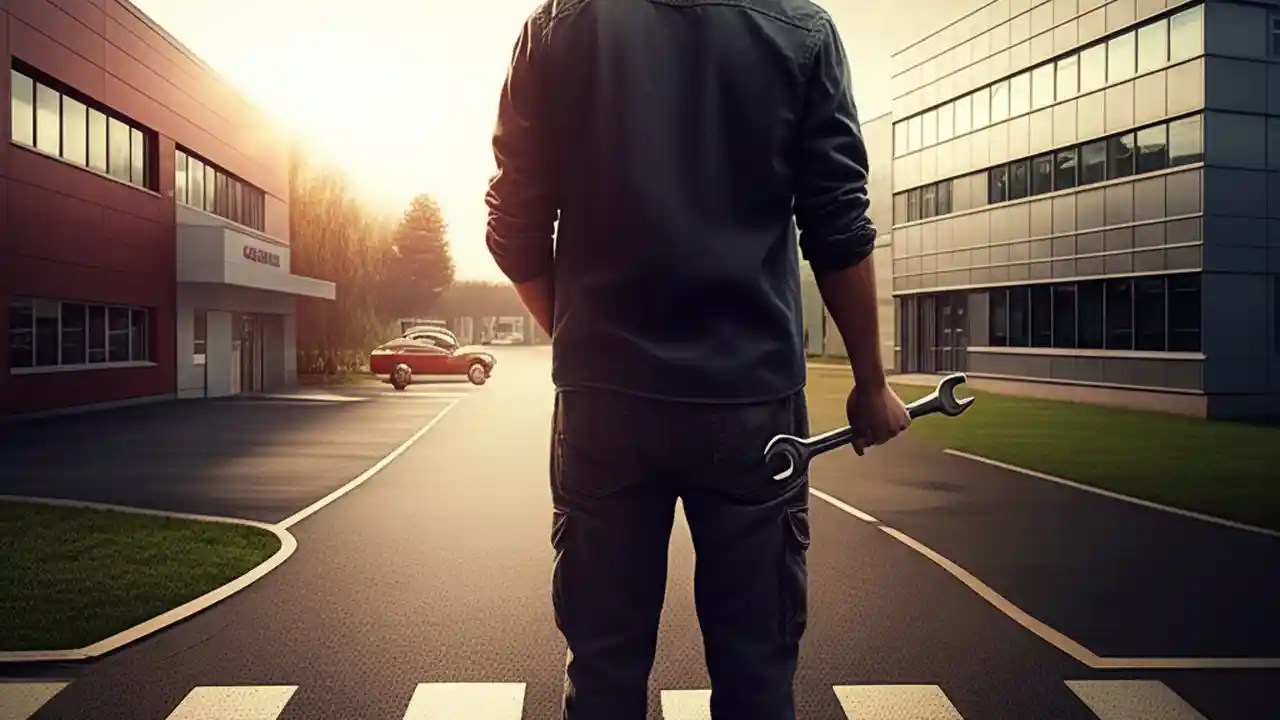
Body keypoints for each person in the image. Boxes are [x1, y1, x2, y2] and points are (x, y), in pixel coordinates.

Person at [485, 1, 911, 718]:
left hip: (605, 406)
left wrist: (581, 337)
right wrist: (871, 385)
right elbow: (837, 222)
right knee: (756, 676)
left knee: (602, 672)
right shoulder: (802, 32)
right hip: (752, 410)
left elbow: (513, 226)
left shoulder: (557, 27)